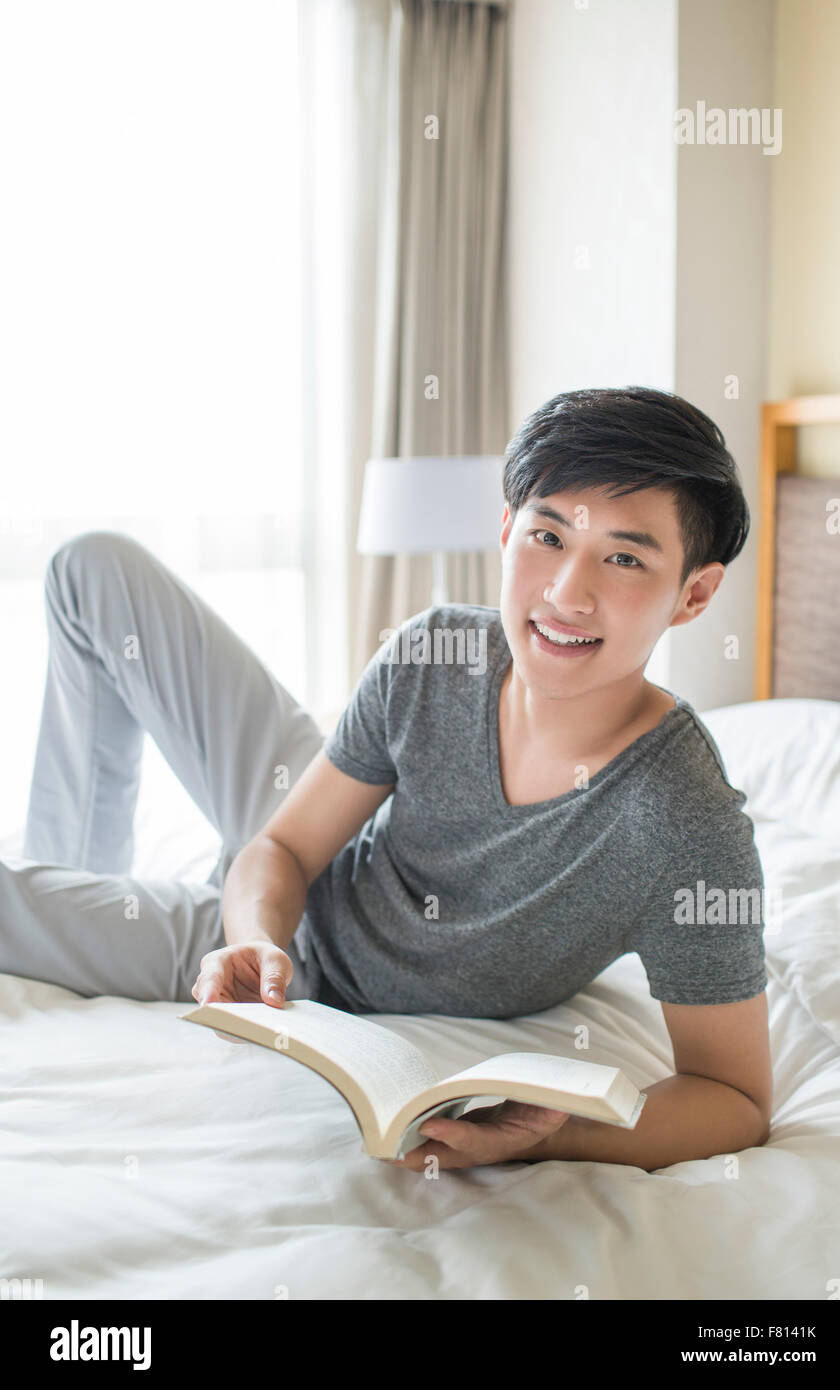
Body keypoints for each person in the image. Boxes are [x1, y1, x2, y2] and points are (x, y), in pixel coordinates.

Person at [0, 385, 772, 1170]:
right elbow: (284, 848)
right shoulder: (434, 656)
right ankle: (78, 863)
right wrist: (255, 942)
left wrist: (561, 1136)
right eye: (547, 536)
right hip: (286, 908)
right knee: (91, 567)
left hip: (320, 955)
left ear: (695, 593)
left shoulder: (684, 823)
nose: (567, 593)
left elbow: (735, 1098)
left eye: (624, 557)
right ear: (506, 532)